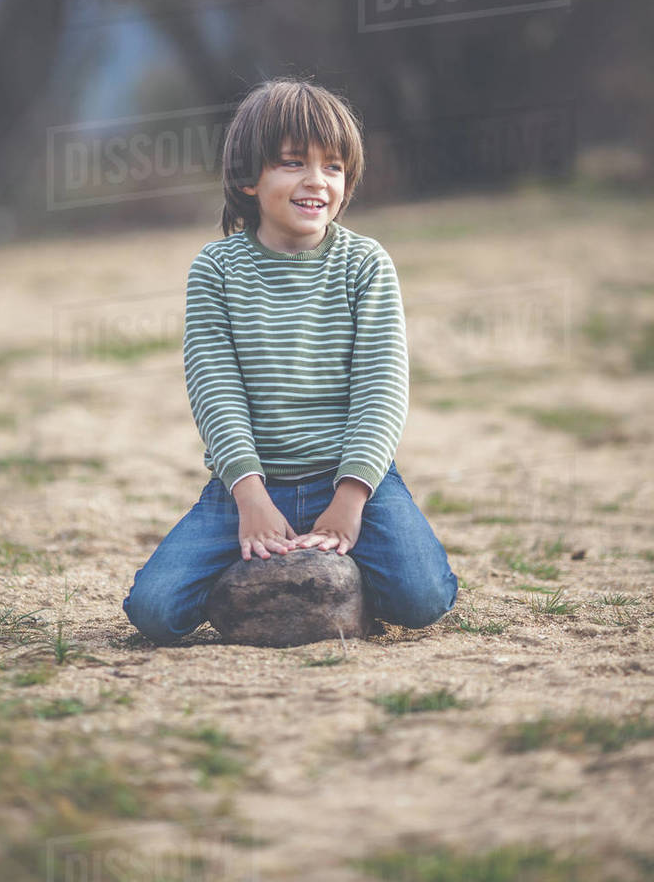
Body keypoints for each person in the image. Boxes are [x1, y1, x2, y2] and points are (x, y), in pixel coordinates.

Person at [122, 76, 458, 644]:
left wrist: (350, 498)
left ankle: (345, 586)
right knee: (154, 611)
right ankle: (258, 581)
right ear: (248, 179)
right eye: (292, 163)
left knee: (424, 597)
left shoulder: (365, 264)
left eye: (333, 167)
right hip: (250, 481)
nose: (316, 182)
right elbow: (215, 389)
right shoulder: (216, 270)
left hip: (352, 477)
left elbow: (381, 390)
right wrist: (250, 498)